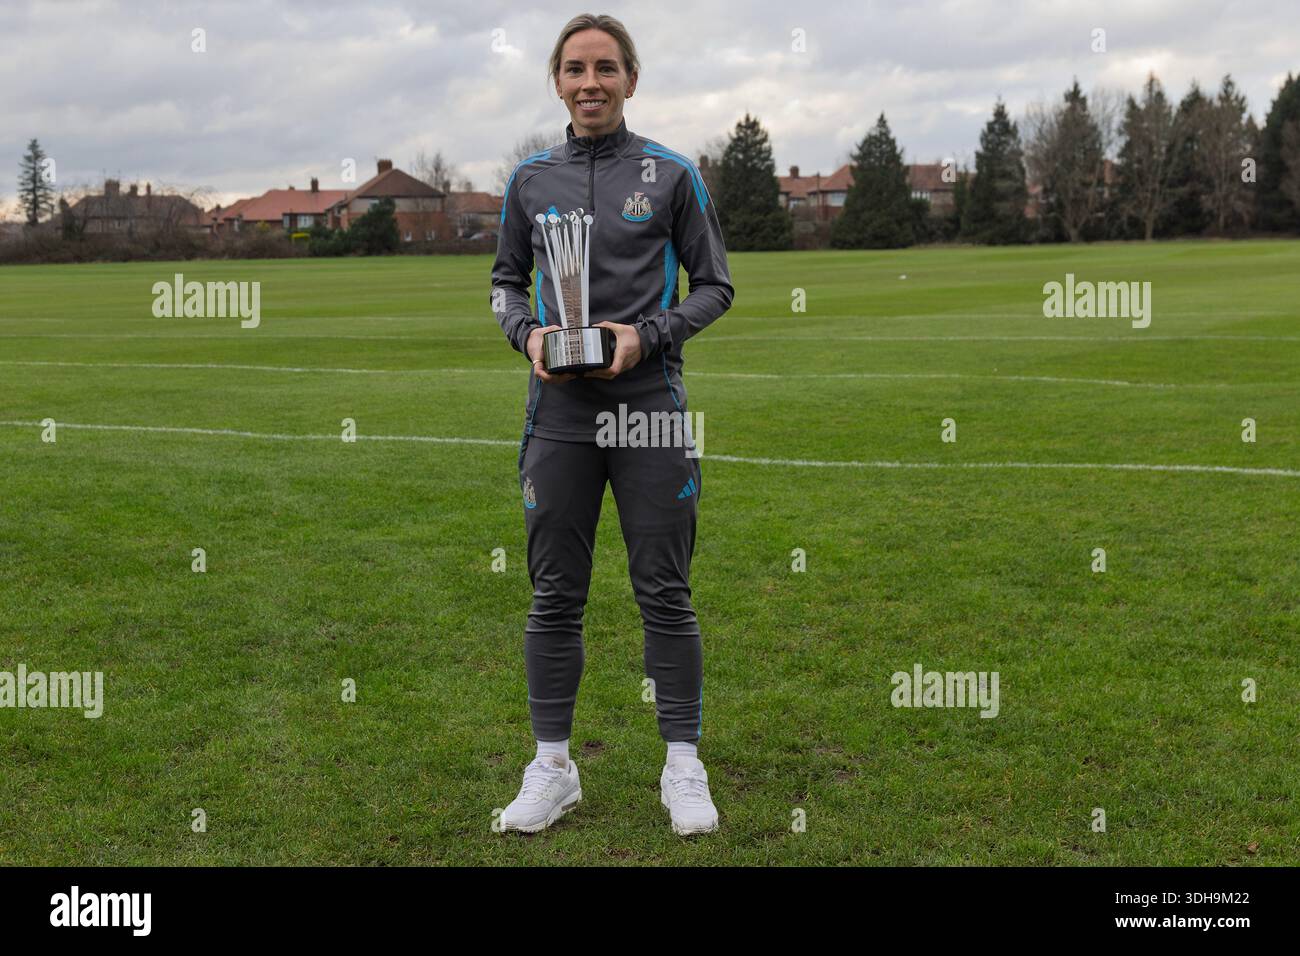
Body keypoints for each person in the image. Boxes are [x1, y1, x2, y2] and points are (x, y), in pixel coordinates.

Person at [489, 13, 734, 835]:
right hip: (558, 415)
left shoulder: (672, 175)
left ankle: (683, 764)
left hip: (649, 408)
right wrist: (527, 336)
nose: (589, 83)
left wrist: (647, 335)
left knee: (664, 591)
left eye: (604, 68)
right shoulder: (529, 181)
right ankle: (552, 768)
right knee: (554, 594)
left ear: (631, 78)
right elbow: (504, 283)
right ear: (557, 82)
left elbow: (715, 286)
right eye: (574, 69)